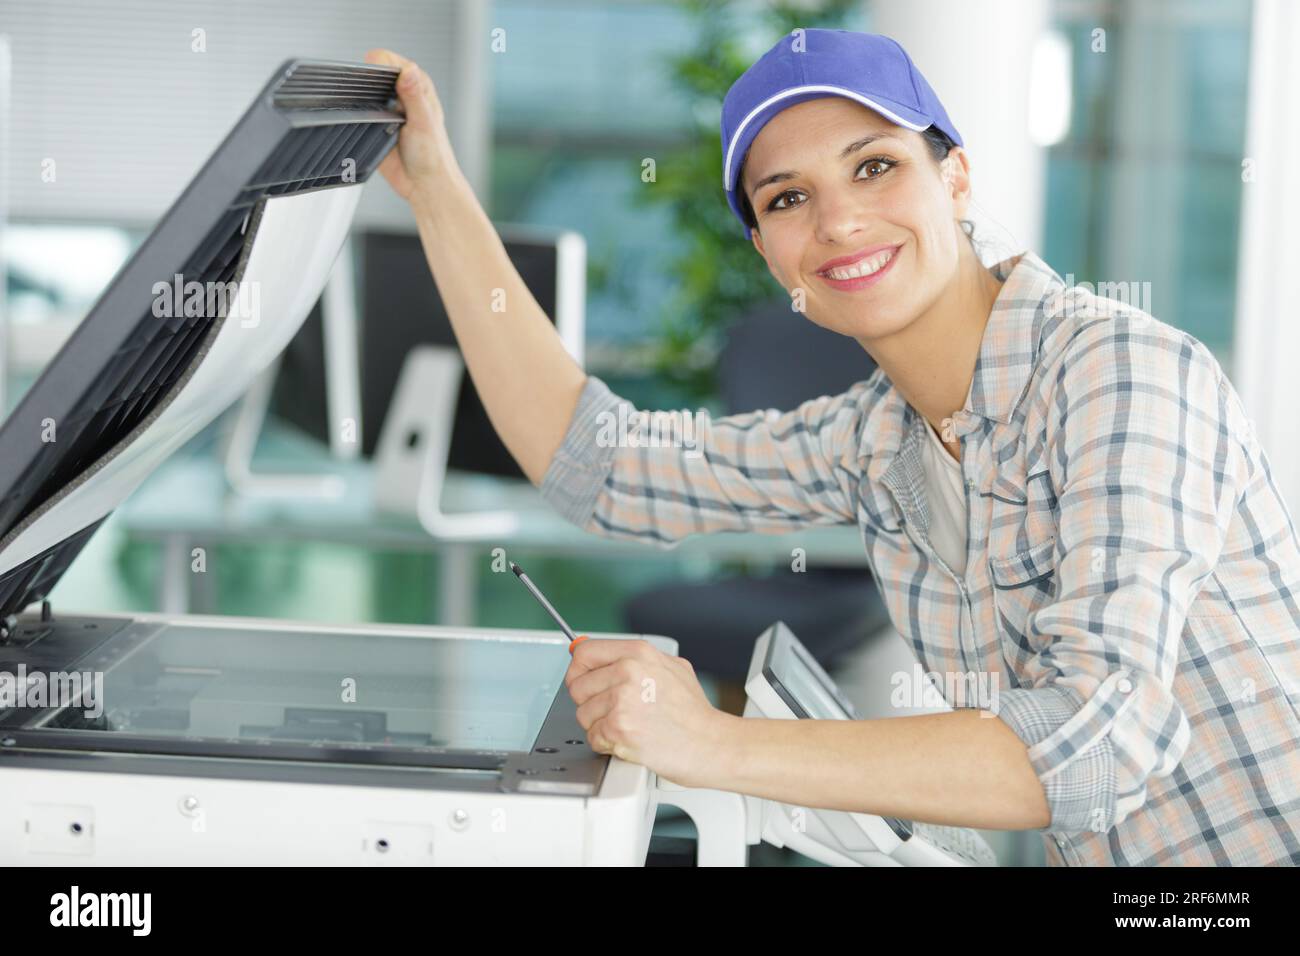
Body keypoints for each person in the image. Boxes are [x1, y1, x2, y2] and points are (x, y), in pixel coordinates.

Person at [362, 28, 1300, 866]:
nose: (840, 222)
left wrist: (713, 740)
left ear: (957, 176)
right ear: (768, 251)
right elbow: (599, 465)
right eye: (787, 198)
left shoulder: (1120, 374)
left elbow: (1097, 746)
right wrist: (437, 187)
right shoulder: (874, 434)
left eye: (876, 166)